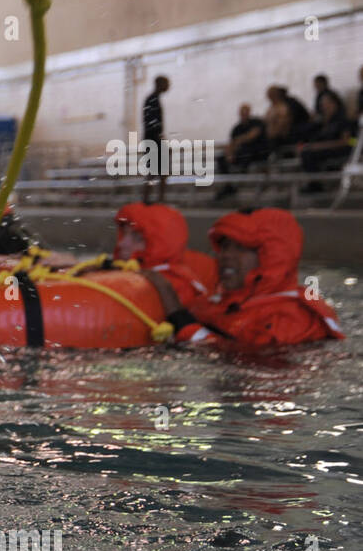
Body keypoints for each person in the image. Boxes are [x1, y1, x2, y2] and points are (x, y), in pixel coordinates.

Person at [146, 208, 343, 348]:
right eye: (224, 246)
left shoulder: (291, 318)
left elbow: (240, 364)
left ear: (271, 256)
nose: (226, 255)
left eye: (240, 248)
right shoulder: (223, 302)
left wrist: (177, 315)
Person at [109, 203, 214, 307]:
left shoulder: (176, 288)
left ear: (161, 245)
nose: (121, 243)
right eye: (124, 234)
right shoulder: (121, 271)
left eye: (138, 238)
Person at [141, 75, 168, 203]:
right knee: (156, 172)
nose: (168, 87)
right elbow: (151, 123)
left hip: (153, 138)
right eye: (166, 84)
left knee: (158, 171)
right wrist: (159, 139)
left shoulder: (153, 99)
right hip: (153, 139)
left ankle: (155, 199)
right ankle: (154, 199)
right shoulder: (152, 100)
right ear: (159, 84)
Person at [222, 104, 267, 173]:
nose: (244, 114)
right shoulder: (237, 128)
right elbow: (232, 142)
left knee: (245, 154)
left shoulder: (256, 122)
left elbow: (252, 135)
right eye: (242, 112)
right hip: (242, 152)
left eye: (245, 112)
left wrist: (239, 140)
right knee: (222, 158)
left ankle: (242, 173)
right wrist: (229, 153)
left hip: (257, 151)